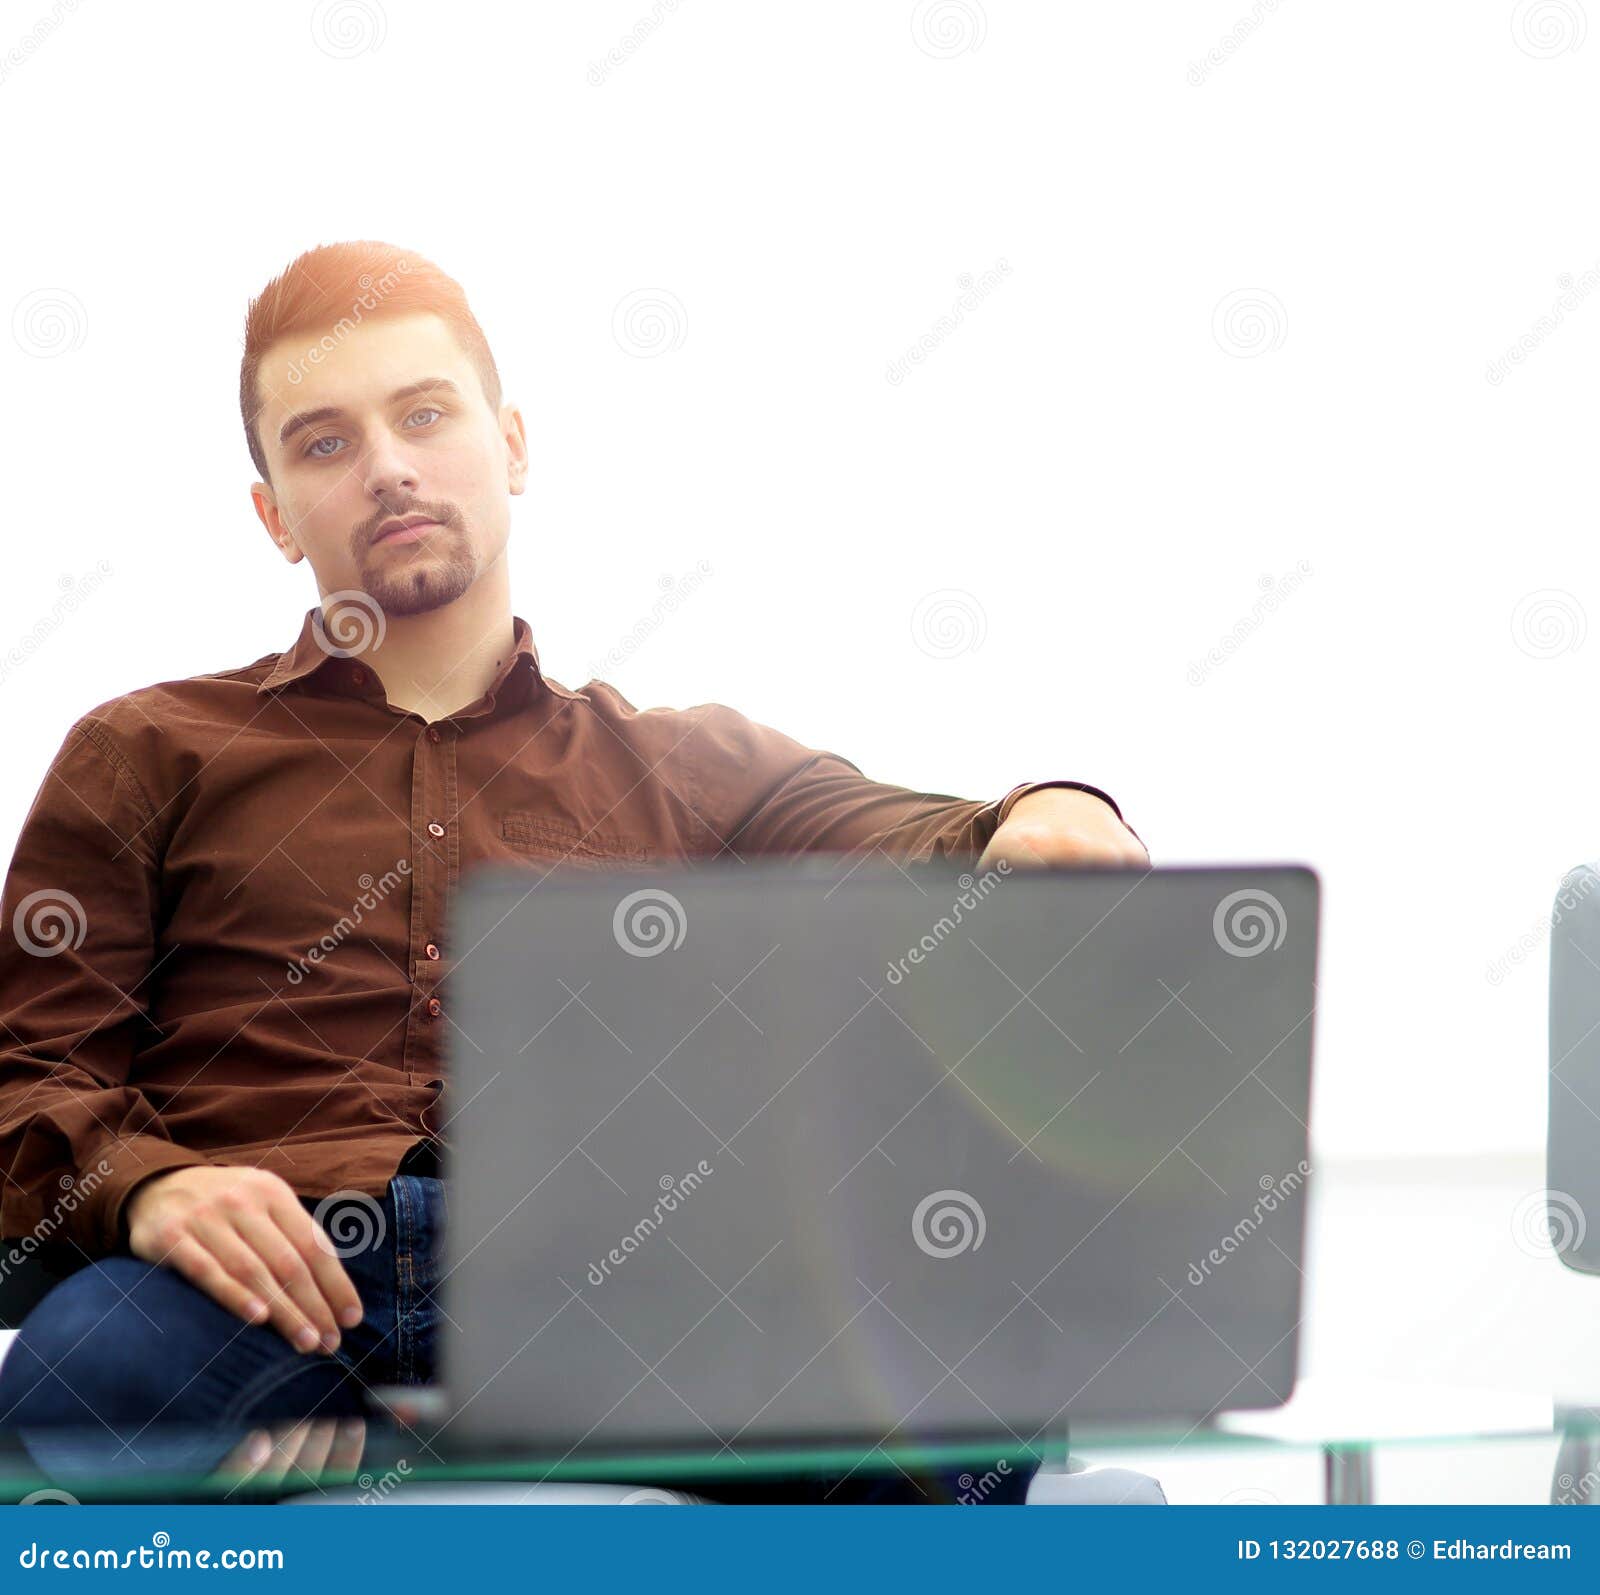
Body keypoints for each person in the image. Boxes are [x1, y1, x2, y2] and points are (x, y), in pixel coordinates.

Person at [0, 241, 1146, 1498]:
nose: (387, 466)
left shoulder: (682, 763)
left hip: (604, 1285)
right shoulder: (148, 749)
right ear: (274, 514)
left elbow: (924, 831)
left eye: (425, 414)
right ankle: (479, 1434)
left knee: (970, 1402)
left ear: (515, 447)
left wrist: (1052, 811)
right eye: (323, 444)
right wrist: (150, 1190)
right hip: (272, 1286)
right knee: (77, 1379)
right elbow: (27, 1071)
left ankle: (414, 1446)